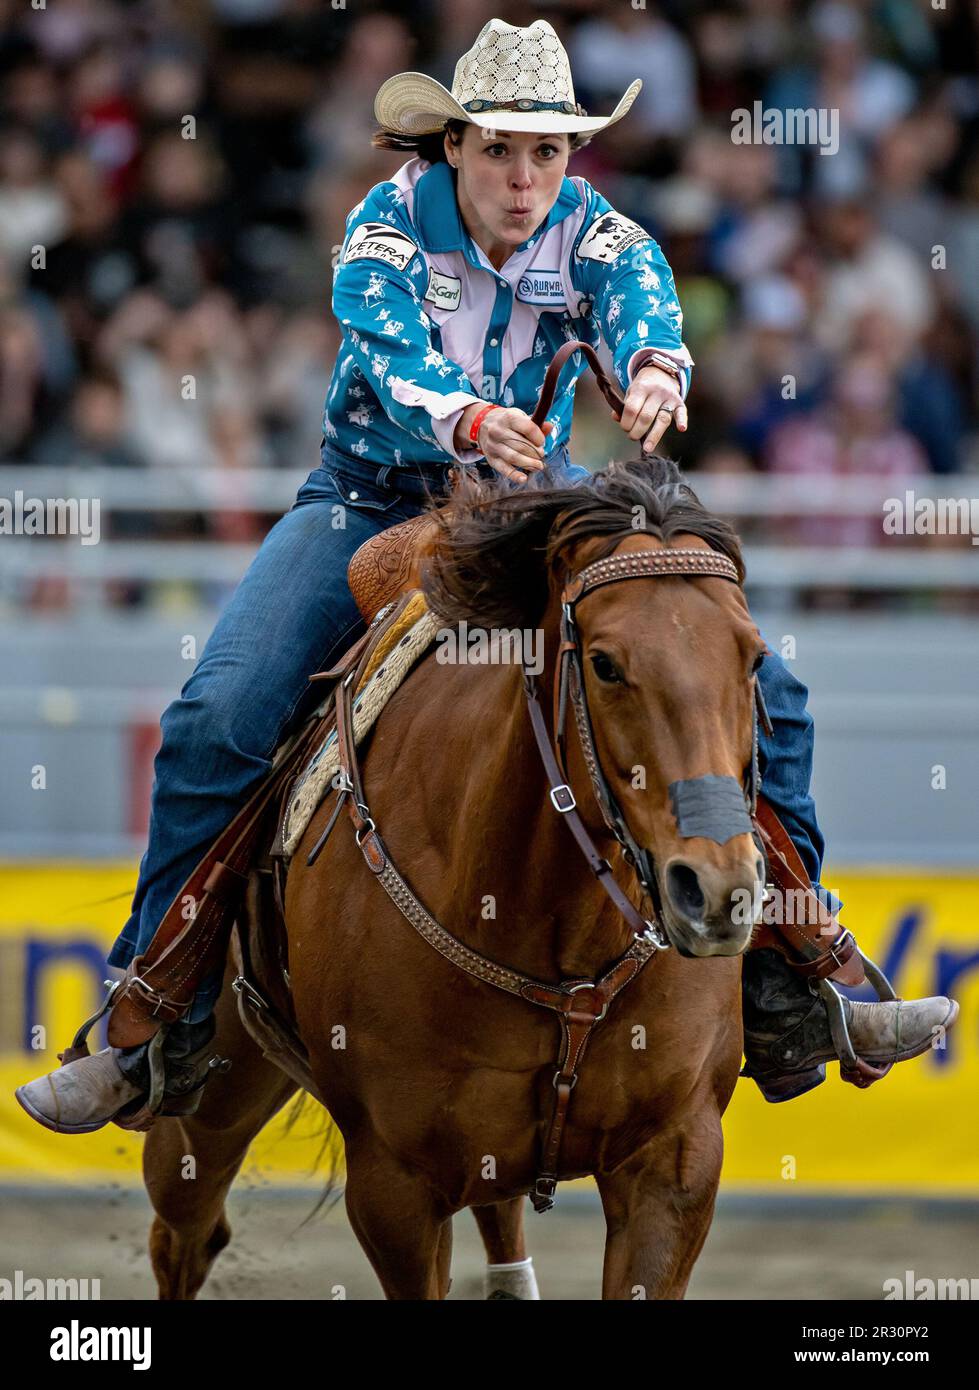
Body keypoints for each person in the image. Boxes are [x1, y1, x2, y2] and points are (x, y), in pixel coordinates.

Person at [16, 19, 953, 1134]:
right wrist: (468, 417)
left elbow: (643, 297)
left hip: (535, 509)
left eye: (547, 153)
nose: (524, 178)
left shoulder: (593, 232)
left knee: (761, 690)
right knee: (218, 712)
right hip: (368, 501)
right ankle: (148, 1011)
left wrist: (655, 372)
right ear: (452, 144)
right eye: (502, 149)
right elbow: (391, 359)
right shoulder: (380, 232)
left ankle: (796, 969)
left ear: (570, 158)